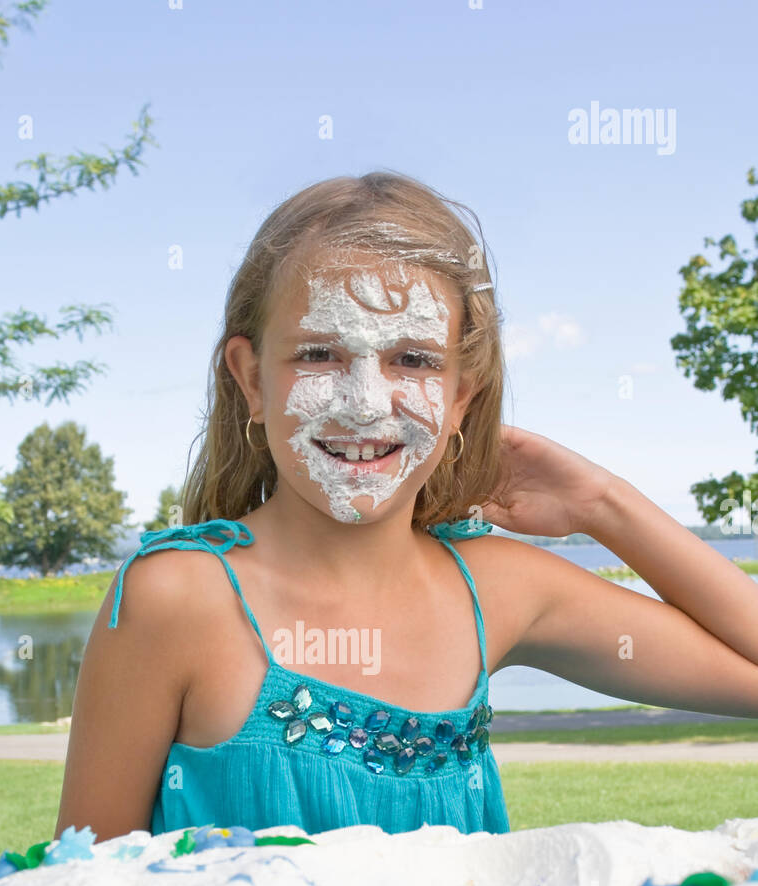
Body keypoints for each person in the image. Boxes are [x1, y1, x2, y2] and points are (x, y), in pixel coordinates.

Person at [55, 171, 758, 843]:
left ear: (462, 396)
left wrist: (603, 504)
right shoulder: (174, 598)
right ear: (250, 379)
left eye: (413, 361)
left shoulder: (496, 588)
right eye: (319, 354)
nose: (363, 403)